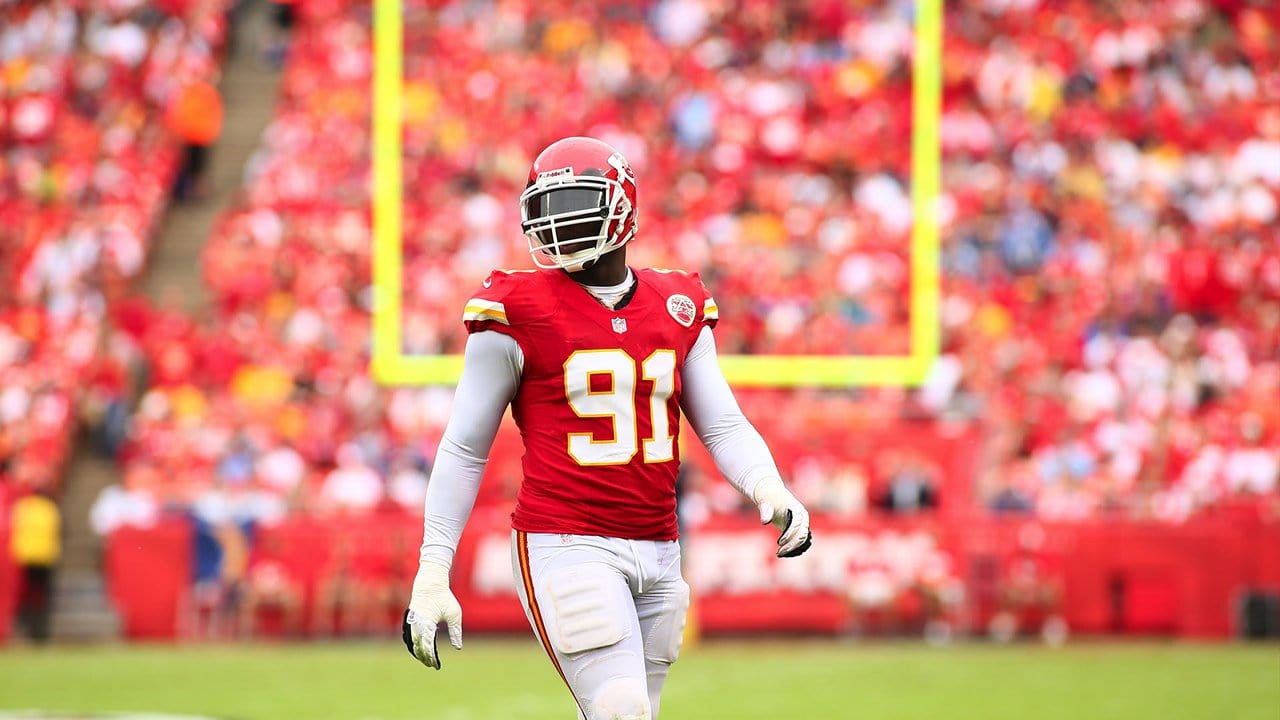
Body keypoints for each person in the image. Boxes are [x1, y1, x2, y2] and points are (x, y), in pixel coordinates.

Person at [401, 137, 812, 720]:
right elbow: (465, 448)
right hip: (566, 539)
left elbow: (720, 424)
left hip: (660, 544)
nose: (558, 221)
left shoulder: (679, 303)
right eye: (546, 206)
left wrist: (768, 486)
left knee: (623, 712)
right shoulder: (516, 309)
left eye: (573, 201)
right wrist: (433, 569)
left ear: (622, 205)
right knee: (622, 709)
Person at [9, 486, 61, 643]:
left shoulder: (23, 507)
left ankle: (28, 627)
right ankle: (40, 631)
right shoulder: (51, 509)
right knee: (43, 597)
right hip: (46, 557)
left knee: (28, 596)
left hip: (26, 556)